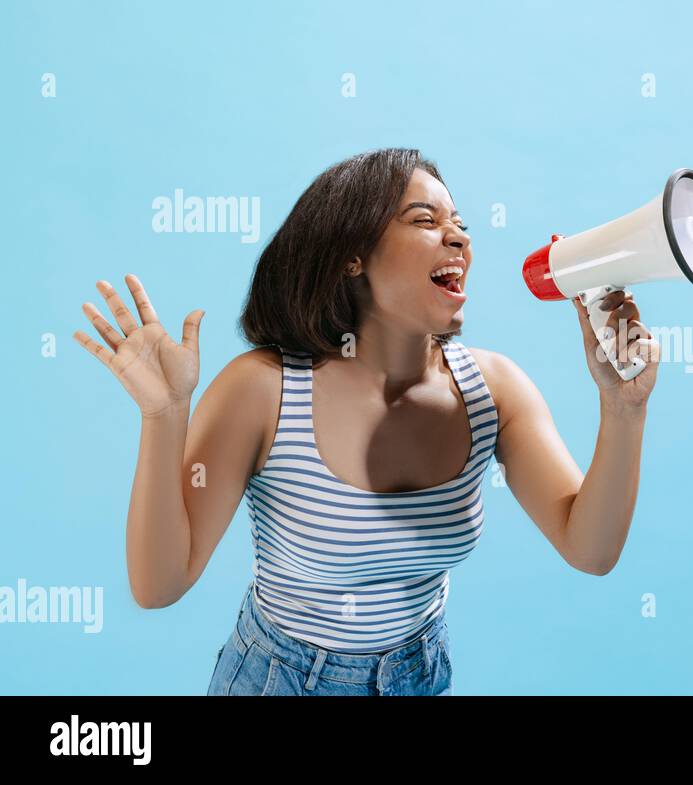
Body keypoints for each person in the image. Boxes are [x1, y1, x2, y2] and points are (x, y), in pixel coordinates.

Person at [72, 148, 660, 695]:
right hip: (281, 677)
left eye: (462, 224)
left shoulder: (494, 390)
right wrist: (164, 412)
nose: (457, 236)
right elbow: (158, 585)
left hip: (419, 674)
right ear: (353, 255)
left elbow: (591, 549)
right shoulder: (264, 391)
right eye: (425, 220)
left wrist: (623, 405)